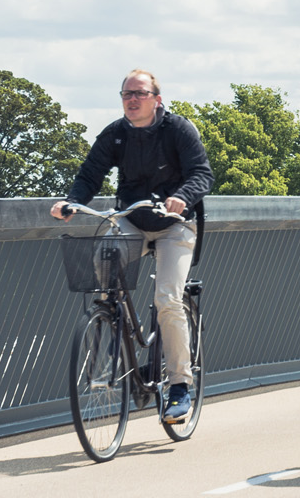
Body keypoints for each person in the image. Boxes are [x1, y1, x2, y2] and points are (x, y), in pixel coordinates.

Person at [52, 69, 213, 422]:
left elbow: (203, 173)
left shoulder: (178, 129)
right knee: (104, 264)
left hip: (175, 225)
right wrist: (71, 202)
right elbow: (90, 174)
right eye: (126, 94)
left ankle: (179, 386)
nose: (132, 99)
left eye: (139, 93)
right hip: (133, 218)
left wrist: (182, 196)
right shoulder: (115, 134)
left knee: (168, 299)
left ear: (156, 98)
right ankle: (119, 323)